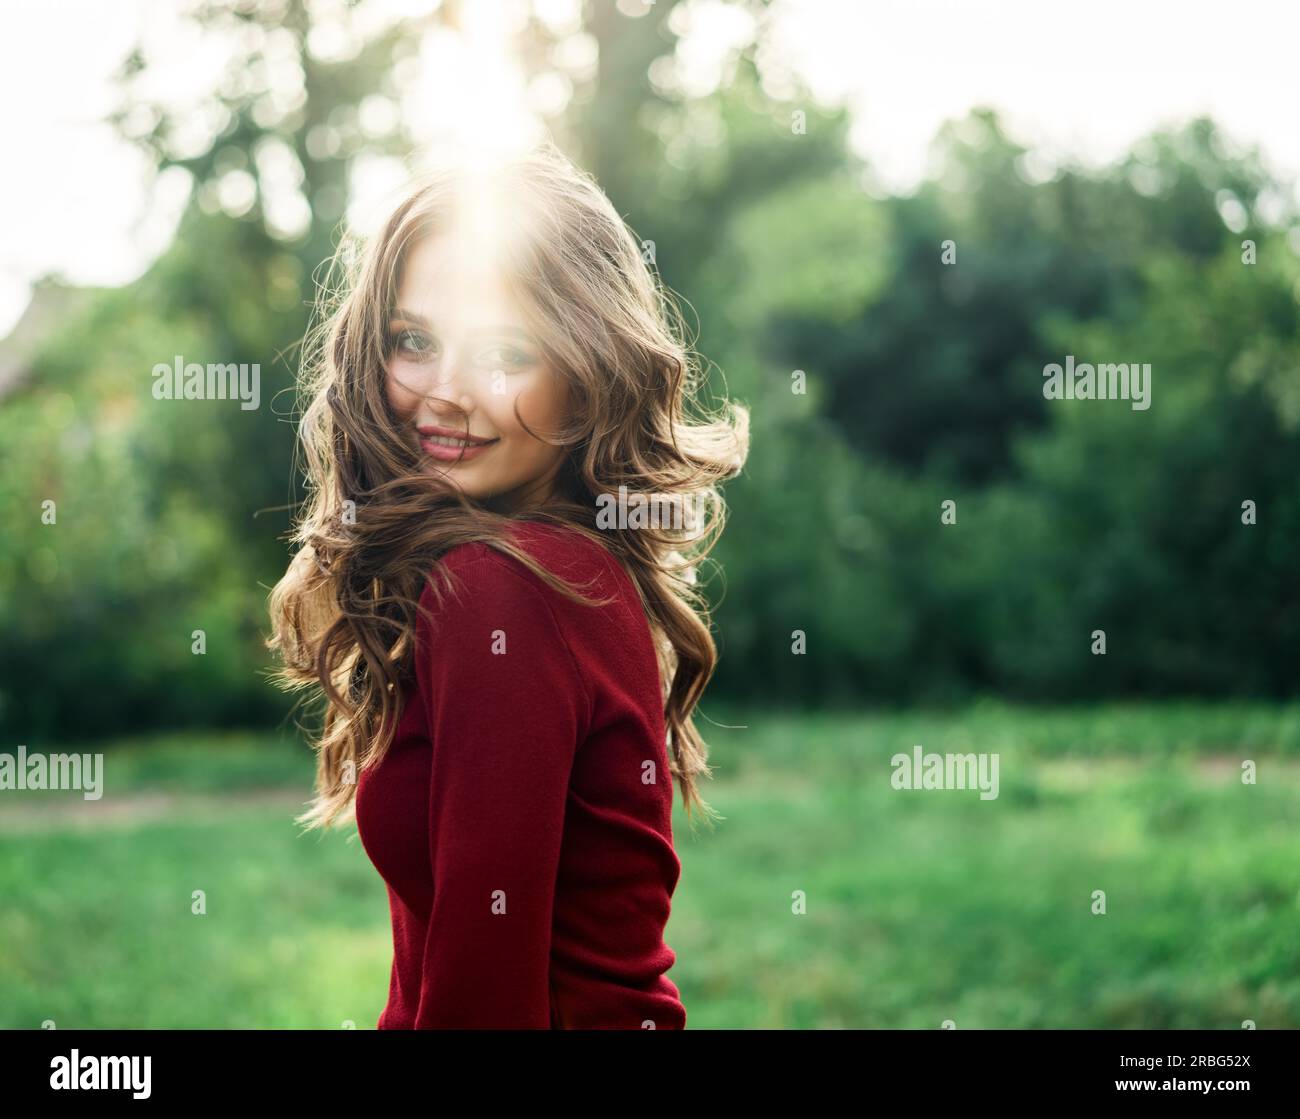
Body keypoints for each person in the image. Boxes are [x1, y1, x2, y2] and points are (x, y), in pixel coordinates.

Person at [266, 140, 749, 1029]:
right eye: (413, 340)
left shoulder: (502, 588)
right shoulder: (566, 567)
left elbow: (481, 997)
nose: (443, 392)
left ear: (587, 379)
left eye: (504, 352)